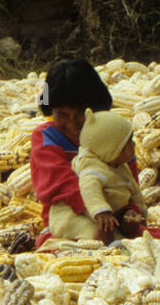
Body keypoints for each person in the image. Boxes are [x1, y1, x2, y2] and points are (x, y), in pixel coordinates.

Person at [30, 58, 117, 245]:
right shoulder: (45, 138)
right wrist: (99, 212)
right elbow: (64, 186)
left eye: (80, 113)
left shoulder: (111, 134)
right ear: (50, 109)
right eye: (62, 114)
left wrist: (133, 211)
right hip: (66, 226)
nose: (72, 124)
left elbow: (128, 179)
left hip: (116, 218)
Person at [73, 110, 147, 243]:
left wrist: (141, 213)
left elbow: (135, 192)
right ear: (115, 151)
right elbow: (89, 189)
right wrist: (101, 211)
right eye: (129, 141)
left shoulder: (121, 167)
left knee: (135, 229)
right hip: (93, 216)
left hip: (117, 214)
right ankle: (103, 243)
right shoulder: (93, 169)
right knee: (101, 230)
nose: (134, 144)